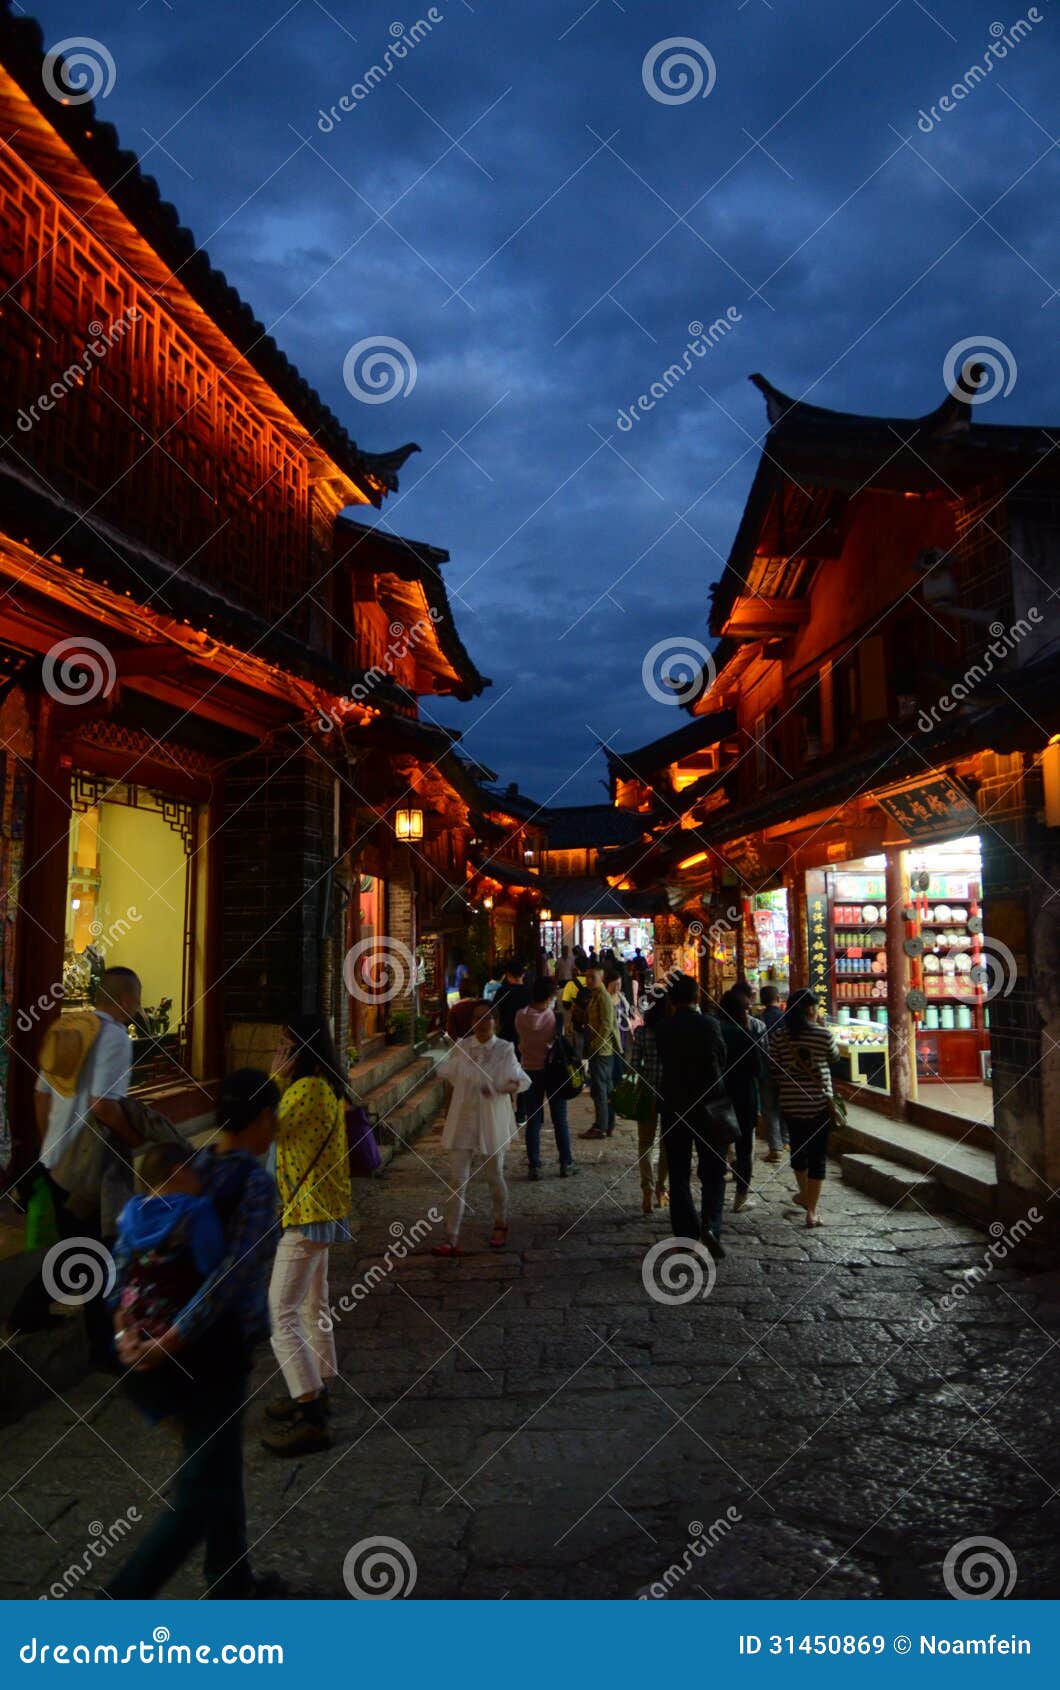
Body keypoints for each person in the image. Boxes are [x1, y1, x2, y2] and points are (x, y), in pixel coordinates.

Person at [105, 1069, 281, 1600]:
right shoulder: (255, 1185)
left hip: (155, 1346)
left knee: (219, 1463)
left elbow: (123, 1251)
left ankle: (232, 1581)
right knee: (196, 1497)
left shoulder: (185, 1166)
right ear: (266, 1119)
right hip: (213, 1354)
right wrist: (175, 1338)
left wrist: (124, 1330)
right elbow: (231, 1276)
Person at [5, 968, 157, 1364]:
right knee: (94, 1252)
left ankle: (30, 1314)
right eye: (136, 1000)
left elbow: (41, 1095)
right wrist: (138, 1140)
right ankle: (103, 1351)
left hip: (55, 1161)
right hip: (88, 1165)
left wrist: (51, 1145)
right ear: (126, 1000)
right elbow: (102, 1104)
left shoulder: (68, 1027)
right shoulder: (116, 1039)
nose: (137, 1007)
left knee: (80, 1245)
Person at [262, 1013, 353, 1457]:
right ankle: (319, 1381)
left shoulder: (305, 1089)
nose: (280, 1053)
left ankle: (311, 1410)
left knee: (279, 1315)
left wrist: (273, 1078)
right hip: (324, 1208)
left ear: (302, 1049)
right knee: (314, 1303)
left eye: (286, 1045)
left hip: (307, 1211)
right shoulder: (326, 1084)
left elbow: (264, 1127)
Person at [432, 1003, 529, 1255]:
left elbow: (518, 1080)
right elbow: (450, 1078)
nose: (483, 1023)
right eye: (477, 1018)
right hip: (463, 1118)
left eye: (487, 1018)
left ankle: (500, 1223)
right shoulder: (462, 1048)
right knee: (457, 1179)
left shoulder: (504, 1049)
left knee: (494, 1175)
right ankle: (451, 1235)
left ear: (495, 1021)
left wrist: (499, 1088)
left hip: (491, 1118)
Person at [112, 1144, 225, 1350]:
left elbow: (118, 1269)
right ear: (179, 1170)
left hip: (137, 1328)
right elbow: (213, 1269)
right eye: (196, 1171)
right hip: (181, 1332)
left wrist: (120, 1332)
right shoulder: (197, 1212)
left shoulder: (128, 1214)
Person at [654, 975, 731, 1259]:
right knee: (713, 1171)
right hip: (709, 1106)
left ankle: (686, 1234)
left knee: (678, 1172)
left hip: (675, 1105)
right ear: (697, 997)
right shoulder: (710, 1025)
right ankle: (711, 1226)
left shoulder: (663, 1029)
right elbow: (721, 1058)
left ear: (672, 1000)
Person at [768, 989, 839, 1229]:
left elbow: (774, 1067)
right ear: (810, 1009)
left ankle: (804, 1194)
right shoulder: (822, 1035)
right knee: (818, 1155)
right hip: (819, 1102)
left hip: (790, 1101)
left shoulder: (779, 1036)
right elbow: (834, 1057)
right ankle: (812, 1210)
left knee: (798, 1151)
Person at [516, 978, 578, 1180]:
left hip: (529, 1070)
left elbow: (521, 1042)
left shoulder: (520, 1016)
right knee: (560, 1119)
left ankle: (534, 1165)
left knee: (533, 1119)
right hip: (554, 1073)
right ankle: (566, 1163)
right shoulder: (555, 1018)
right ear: (551, 996)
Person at [718, 988, 765, 1214]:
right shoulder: (747, 1036)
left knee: (718, 1146)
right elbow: (758, 1070)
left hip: (718, 1098)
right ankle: (740, 1197)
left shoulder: (714, 1032)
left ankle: (715, 1194)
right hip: (745, 1098)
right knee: (744, 1148)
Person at [631, 998, 668, 1213]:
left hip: (647, 1093)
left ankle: (647, 1189)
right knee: (665, 1143)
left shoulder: (642, 1034)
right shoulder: (672, 1033)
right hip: (669, 1092)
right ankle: (662, 1189)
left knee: (645, 1143)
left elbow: (634, 1066)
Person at [579, 963, 621, 1140]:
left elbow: (606, 1026)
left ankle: (600, 1126)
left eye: (592, 977)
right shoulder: (596, 996)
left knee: (600, 1089)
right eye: (587, 977)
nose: (588, 980)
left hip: (602, 1051)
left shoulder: (603, 997)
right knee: (605, 1088)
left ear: (601, 978)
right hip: (600, 1049)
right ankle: (607, 1123)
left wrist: (595, 1046)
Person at [757, 986, 787, 1162]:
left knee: (769, 1109)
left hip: (766, 1070)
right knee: (784, 1106)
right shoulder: (786, 1019)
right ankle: (786, 1141)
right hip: (785, 1070)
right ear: (778, 998)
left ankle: (776, 1147)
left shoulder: (759, 1020)